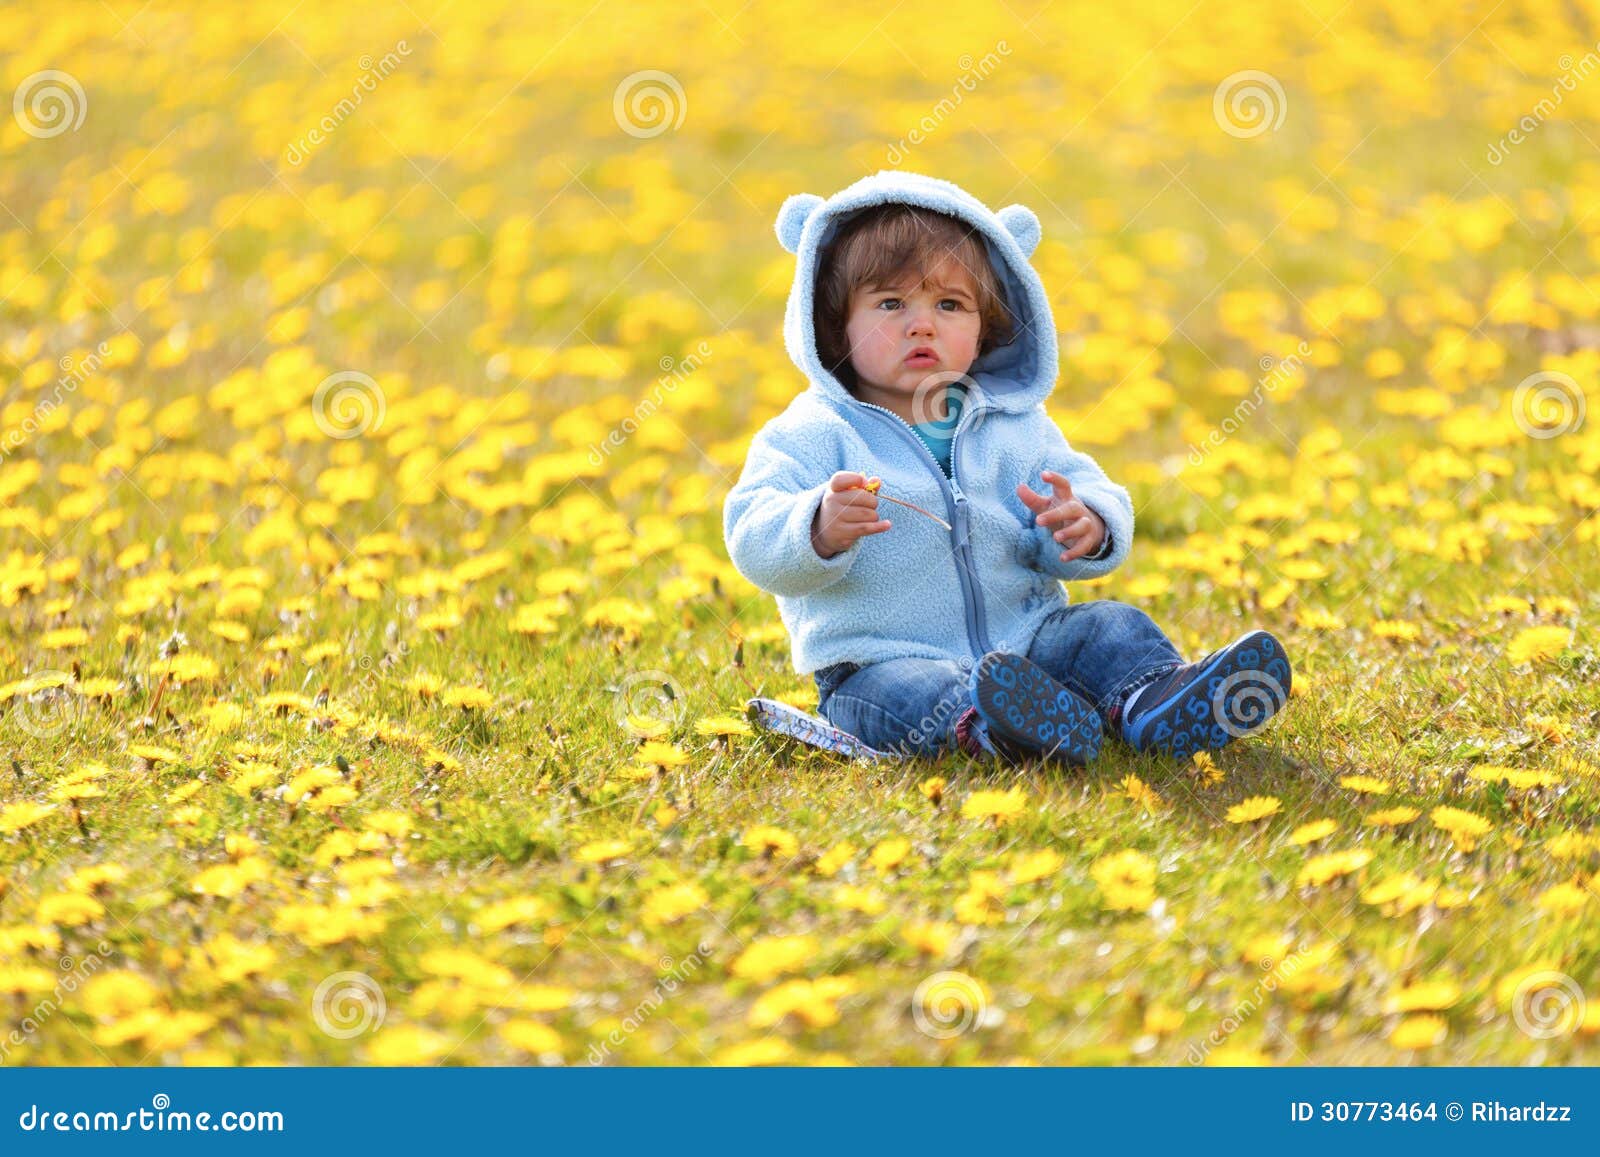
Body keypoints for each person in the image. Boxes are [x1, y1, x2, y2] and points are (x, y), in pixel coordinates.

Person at [722, 171, 1291, 764]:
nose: (922, 324)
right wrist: (814, 527)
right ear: (835, 322)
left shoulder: (1014, 423)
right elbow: (751, 529)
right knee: (914, 694)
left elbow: (1090, 485)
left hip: (1028, 643)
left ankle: (1151, 701)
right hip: (879, 659)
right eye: (891, 303)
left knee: (1106, 626)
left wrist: (1085, 523)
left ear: (985, 327)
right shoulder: (813, 433)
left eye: (949, 304)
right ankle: (997, 731)